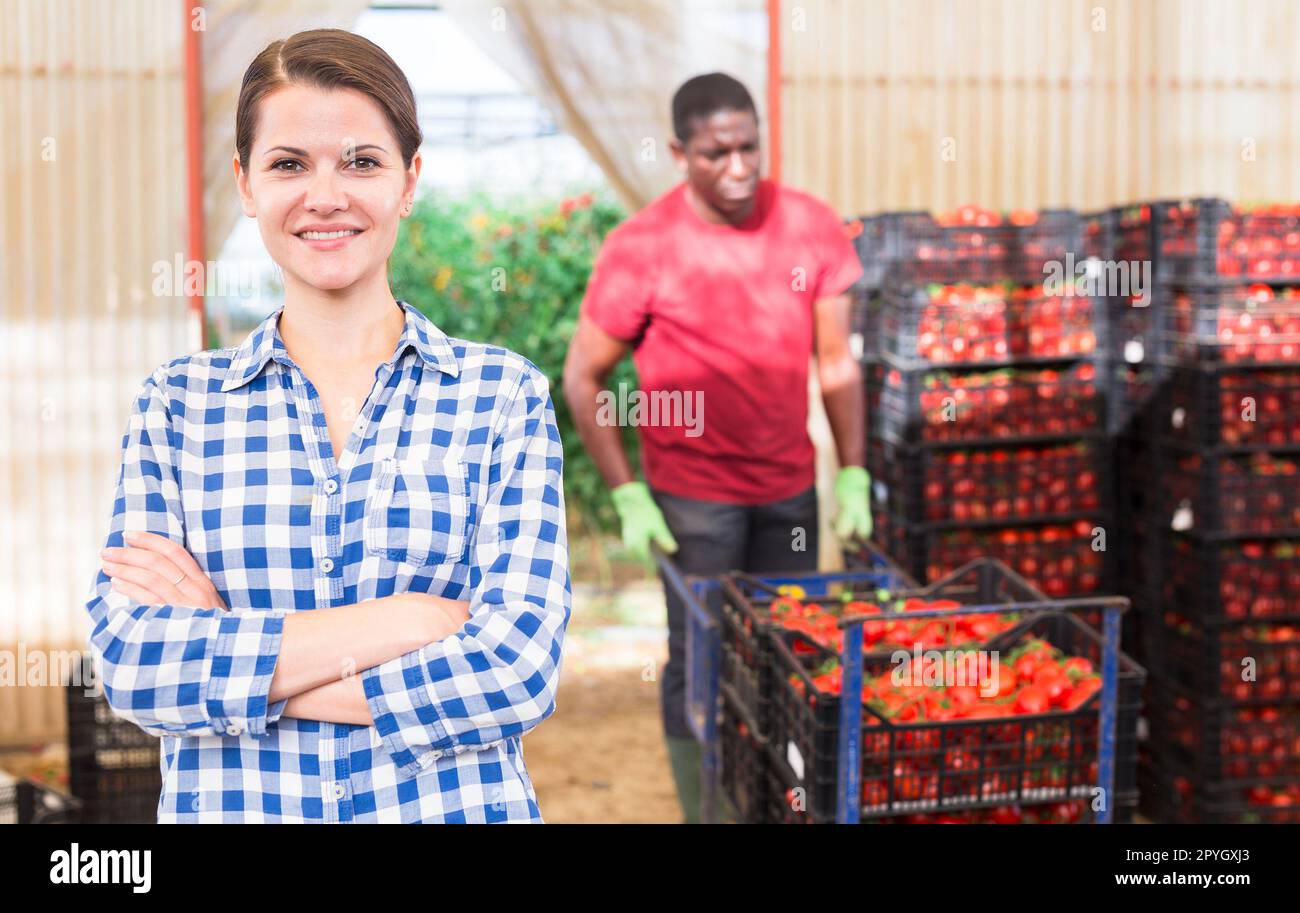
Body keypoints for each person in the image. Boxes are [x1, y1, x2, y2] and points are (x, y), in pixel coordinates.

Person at [85, 29, 570, 823]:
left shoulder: (499, 395)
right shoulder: (177, 403)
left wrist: (232, 650)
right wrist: (409, 620)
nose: (325, 195)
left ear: (409, 180)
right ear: (245, 182)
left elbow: (515, 669)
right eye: (288, 163)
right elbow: (136, 665)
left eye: (361, 161)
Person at [562, 72, 872, 823]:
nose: (737, 168)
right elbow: (584, 375)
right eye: (715, 153)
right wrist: (625, 489)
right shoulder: (643, 248)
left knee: (790, 645)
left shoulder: (808, 225)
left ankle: (779, 798)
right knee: (702, 658)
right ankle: (707, 807)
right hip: (692, 498)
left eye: (748, 148)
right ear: (679, 154)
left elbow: (834, 362)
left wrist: (856, 472)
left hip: (788, 489)